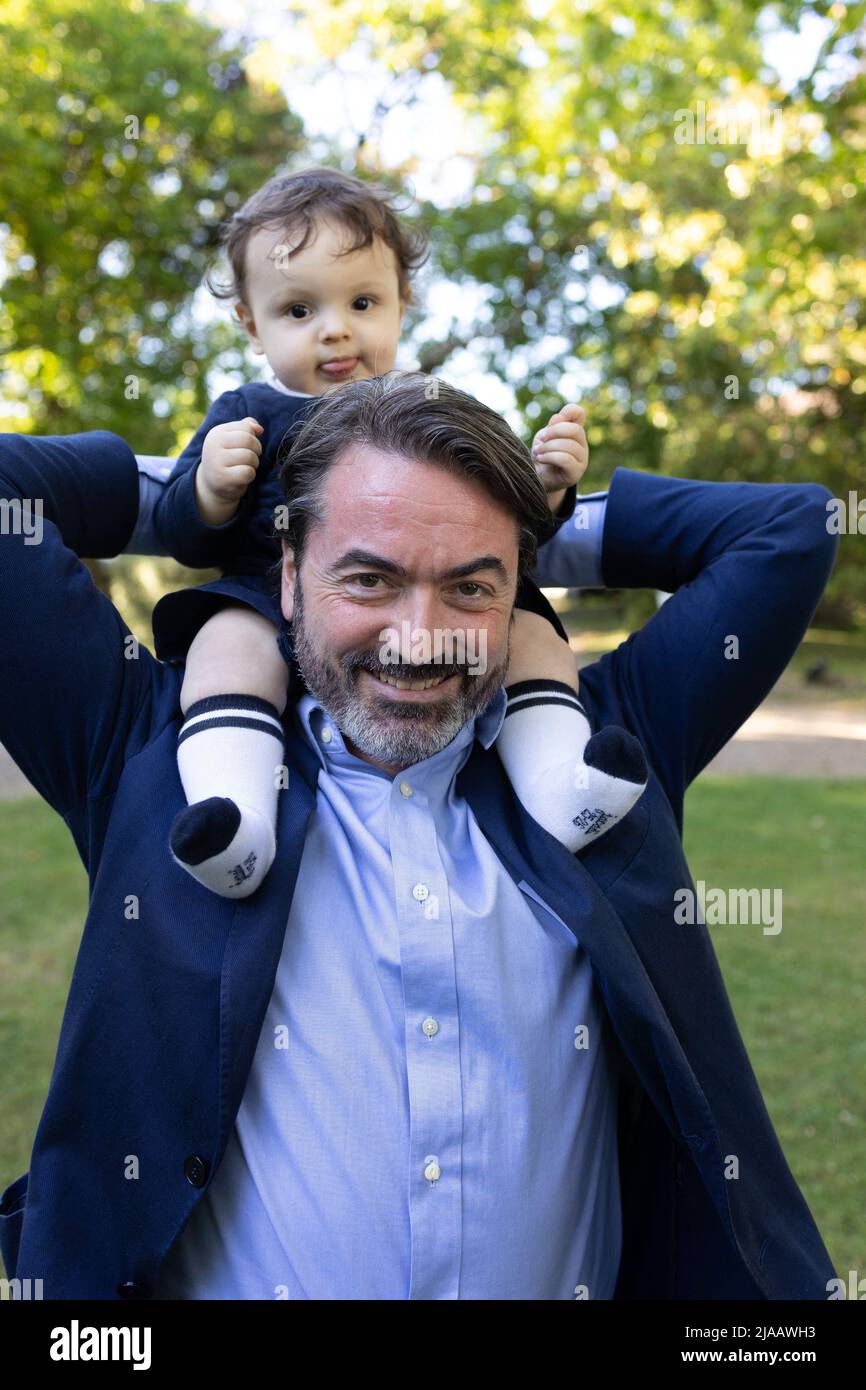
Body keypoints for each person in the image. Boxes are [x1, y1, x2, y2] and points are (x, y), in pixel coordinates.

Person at [0, 372, 839, 1299]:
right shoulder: (150, 752)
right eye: (370, 577)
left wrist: (542, 526)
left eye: (470, 586)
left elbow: (790, 527)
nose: (420, 638)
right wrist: (199, 506)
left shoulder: (599, 749)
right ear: (290, 574)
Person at [142, 166, 646, 899]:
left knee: (531, 632)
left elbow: (504, 527)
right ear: (251, 324)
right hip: (263, 596)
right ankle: (237, 821)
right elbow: (182, 536)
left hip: (429, 598)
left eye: (363, 302)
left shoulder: (434, 409)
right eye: (298, 310)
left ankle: (560, 791)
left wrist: (547, 489)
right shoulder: (244, 412)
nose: (335, 328)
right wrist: (209, 492)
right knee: (225, 649)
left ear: (403, 304)